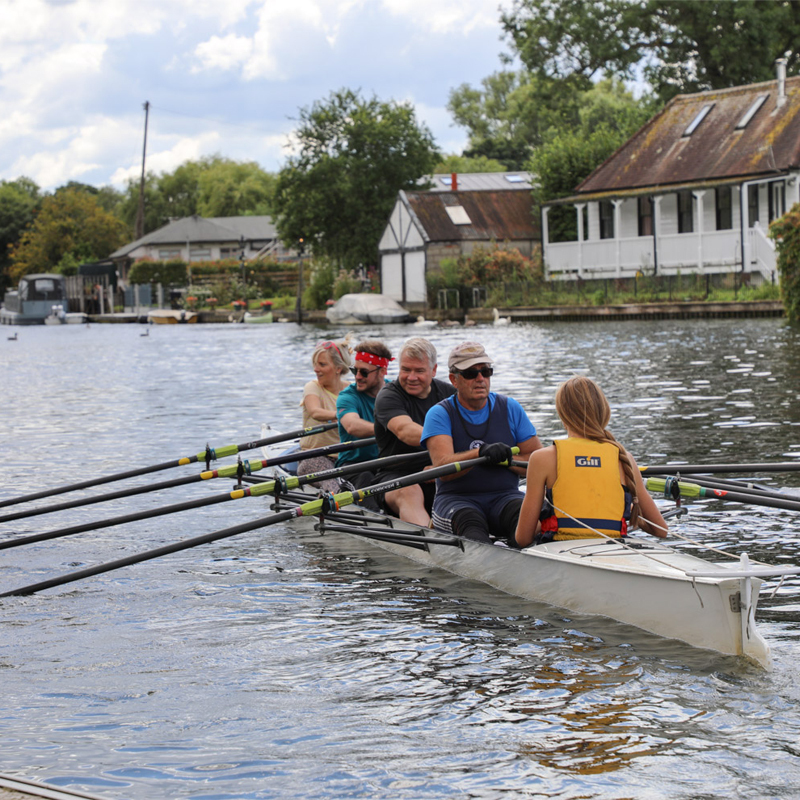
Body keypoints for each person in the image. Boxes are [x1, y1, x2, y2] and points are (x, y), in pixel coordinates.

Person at [515, 375, 668, 547]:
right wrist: (630, 513)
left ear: (563, 416)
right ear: (603, 412)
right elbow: (661, 530)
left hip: (562, 549)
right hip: (614, 551)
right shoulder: (624, 457)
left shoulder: (542, 458)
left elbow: (523, 538)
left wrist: (546, 515)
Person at [421, 341, 541, 546]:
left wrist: (507, 460)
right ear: (454, 379)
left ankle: (519, 553)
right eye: (470, 374)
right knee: (474, 535)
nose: (480, 379)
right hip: (456, 501)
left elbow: (536, 462)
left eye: (485, 372)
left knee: (533, 527)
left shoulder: (510, 408)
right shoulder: (439, 414)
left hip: (505, 497)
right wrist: (480, 454)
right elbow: (442, 468)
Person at [373, 337, 455, 526]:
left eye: (419, 371)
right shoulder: (388, 396)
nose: (411, 377)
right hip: (396, 476)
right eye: (406, 370)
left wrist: (441, 465)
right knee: (410, 490)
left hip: (438, 469)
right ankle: (429, 537)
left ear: (433, 370)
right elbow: (405, 431)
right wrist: (442, 454)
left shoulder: (449, 394)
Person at [335, 339, 393, 491]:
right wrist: (394, 429)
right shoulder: (347, 396)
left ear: (382, 371)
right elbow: (352, 426)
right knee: (365, 478)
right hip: (353, 466)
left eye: (364, 372)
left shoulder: (395, 392)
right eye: (355, 371)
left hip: (386, 464)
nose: (358, 377)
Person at [298, 338, 353, 493]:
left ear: (338, 368)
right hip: (314, 456)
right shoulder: (313, 387)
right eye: (315, 364)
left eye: (322, 365)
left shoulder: (351, 390)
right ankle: (337, 499)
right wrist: (343, 416)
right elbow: (315, 412)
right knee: (334, 486)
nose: (316, 369)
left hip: (345, 458)